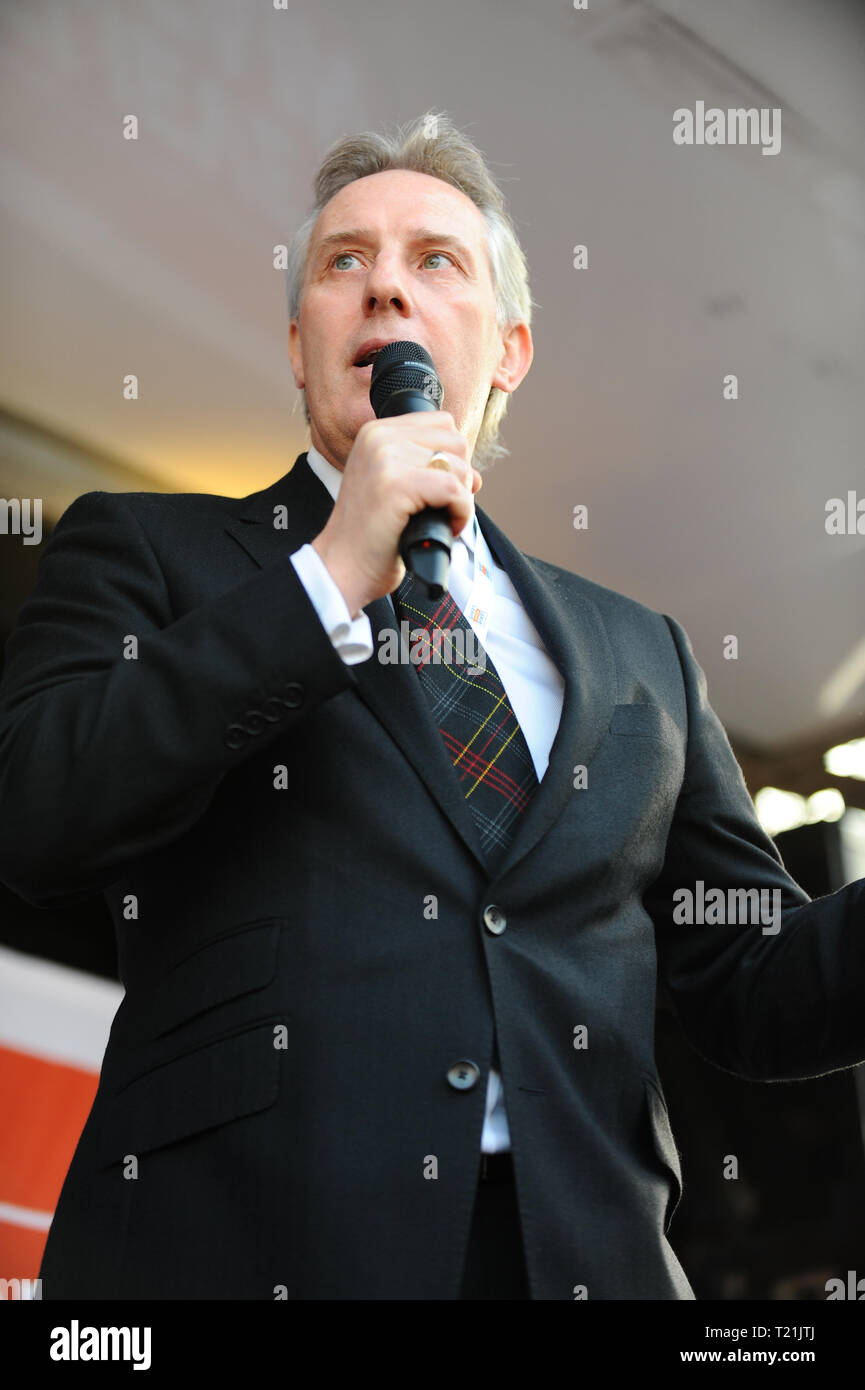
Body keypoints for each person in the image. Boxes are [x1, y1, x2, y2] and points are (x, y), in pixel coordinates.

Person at [0, 112, 863, 1302]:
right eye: (342, 263)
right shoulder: (148, 552)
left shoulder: (641, 652)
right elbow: (38, 808)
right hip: (247, 1247)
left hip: (585, 1257)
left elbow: (758, 986)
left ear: (507, 349)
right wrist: (331, 574)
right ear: (297, 344)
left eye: (434, 261)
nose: (385, 290)